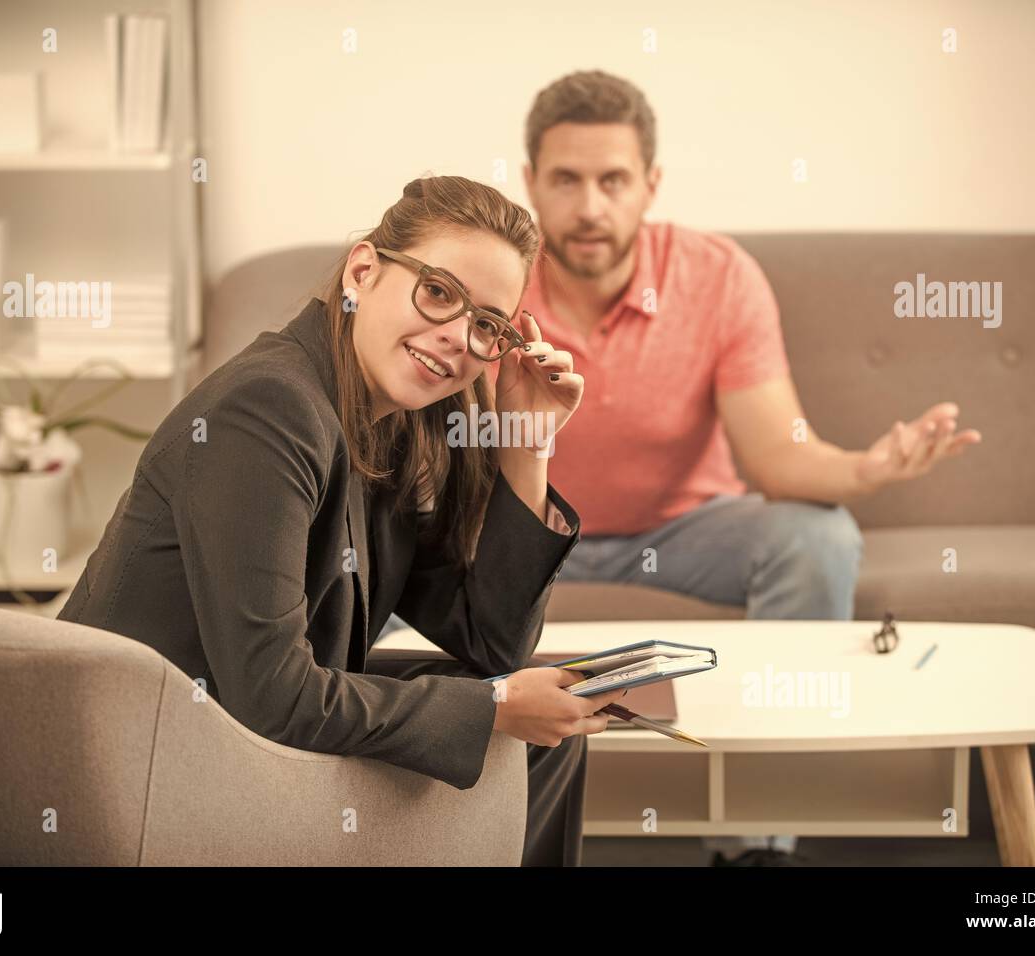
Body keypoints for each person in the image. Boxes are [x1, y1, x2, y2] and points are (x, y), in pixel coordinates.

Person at [58, 175, 627, 866]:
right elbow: (272, 698)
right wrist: (497, 706)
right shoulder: (267, 408)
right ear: (363, 271)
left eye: (485, 325)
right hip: (149, 774)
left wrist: (527, 438)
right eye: (439, 292)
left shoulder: (391, 420)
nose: (454, 337)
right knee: (505, 722)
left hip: (238, 743)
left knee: (539, 730)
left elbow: (492, 641)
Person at [512, 71, 982, 864]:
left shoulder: (717, 276)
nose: (590, 207)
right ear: (530, 183)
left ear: (649, 185)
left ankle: (757, 844)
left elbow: (775, 456)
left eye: (613, 180)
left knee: (816, 538)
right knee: (378, 558)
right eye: (566, 179)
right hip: (524, 530)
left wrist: (869, 467)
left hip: (687, 529)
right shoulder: (497, 278)